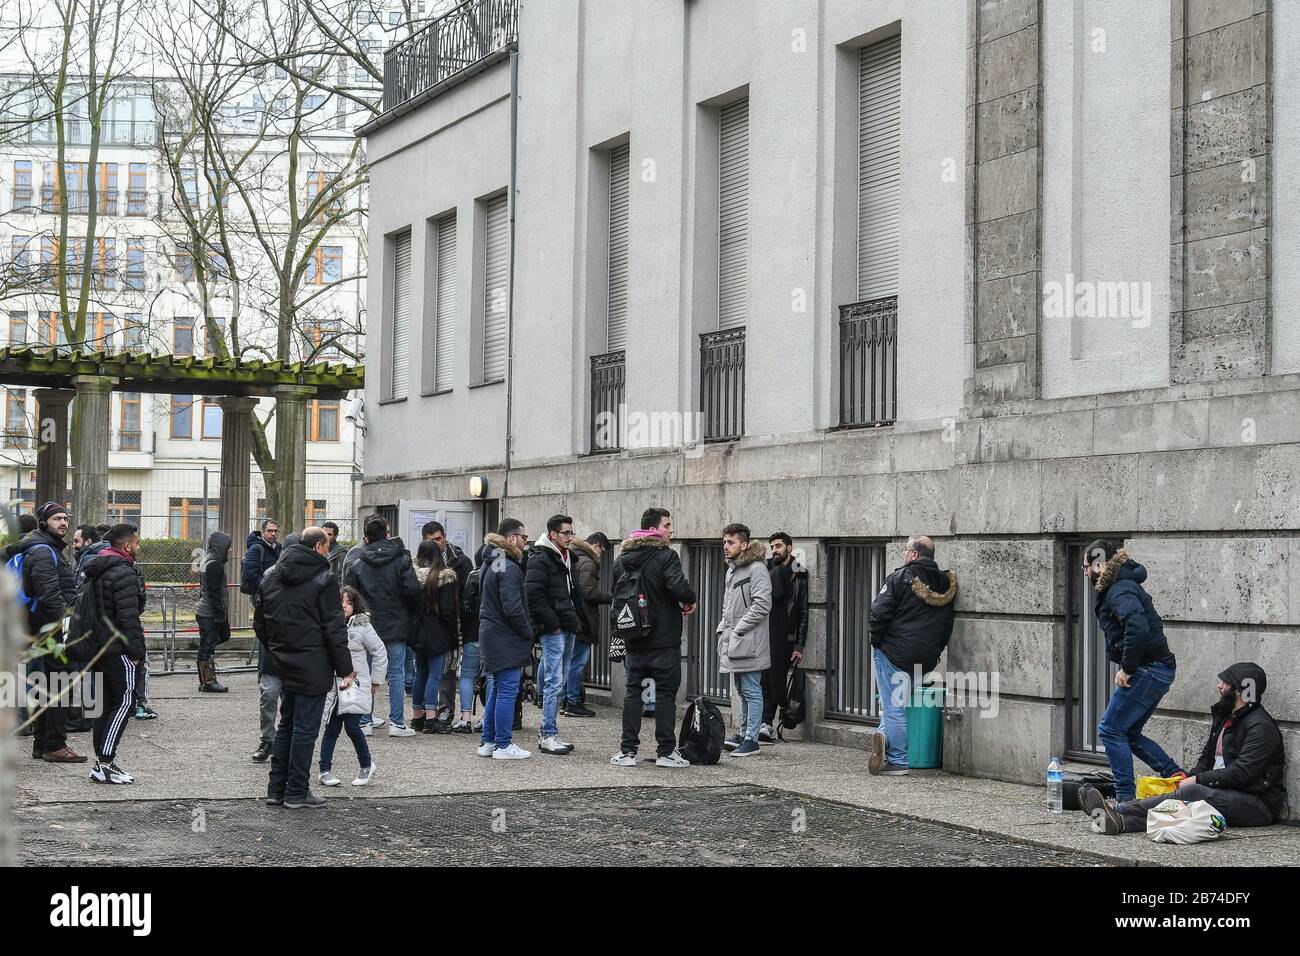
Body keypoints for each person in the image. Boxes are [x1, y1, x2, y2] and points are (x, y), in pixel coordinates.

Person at [1082, 663, 1286, 835]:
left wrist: (1197, 780)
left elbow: (1243, 773)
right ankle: (1121, 823)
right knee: (1184, 807)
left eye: (1225, 683)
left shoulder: (1261, 728)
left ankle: (1121, 807)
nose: (1219, 686)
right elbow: (1207, 757)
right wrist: (1190, 777)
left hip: (1258, 805)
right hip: (1223, 792)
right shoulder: (1226, 717)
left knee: (1194, 793)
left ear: (1242, 691)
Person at [257, 527, 355, 809]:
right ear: (317, 548)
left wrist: (276, 646)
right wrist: (345, 669)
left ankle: (276, 789)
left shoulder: (272, 575)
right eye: (326, 546)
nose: (328, 550)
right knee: (306, 729)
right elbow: (334, 629)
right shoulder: (323, 579)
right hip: (313, 662)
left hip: (282, 659)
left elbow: (261, 621)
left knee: (287, 724)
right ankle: (297, 791)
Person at [1085, 540, 1181, 803]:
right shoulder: (1120, 585)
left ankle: (1125, 800)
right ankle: (1178, 779)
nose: (1085, 572)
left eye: (1086, 566)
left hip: (1148, 669)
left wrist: (1127, 669)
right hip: (1157, 668)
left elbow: (1137, 627)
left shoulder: (1120, 589)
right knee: (1128, 733)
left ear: (1100, 564)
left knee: (1110, 729)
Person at [610, 507, 697, 769]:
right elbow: (677, 587)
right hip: (663, 638)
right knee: (665, 695)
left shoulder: (622, 559)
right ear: (653, 529)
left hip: (634, 636)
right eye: (667, 525)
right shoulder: (666, 556)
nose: (671, 530)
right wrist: (690, 599)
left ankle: (627, 752)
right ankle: (666, 752)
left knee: (633, 693)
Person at [867, 535, 958, 776]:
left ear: (914, 554)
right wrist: (935, 652)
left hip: (894, 653)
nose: (905, 555)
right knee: (902, 701)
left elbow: (877, 613)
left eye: (907, 550)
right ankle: (884, 736)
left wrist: (877, 642)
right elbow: (947, 626)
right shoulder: (946, 585)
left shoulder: (900, 578)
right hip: (925, 658)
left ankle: (897, 760)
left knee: (894, 706)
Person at [8, 501, 83, 763]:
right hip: (50, 629)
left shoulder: (45, 546)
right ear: (44, 523)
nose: (63, 523)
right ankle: (54, 745)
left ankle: (43, 744)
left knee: (47, 686)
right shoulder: (42, 550)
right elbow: (50, 595)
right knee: (60, 686)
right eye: (56, 519)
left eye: (65, 518)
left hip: (41, 628)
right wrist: (66, 627)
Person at [80, 523, 148, 784]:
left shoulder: (98, 568)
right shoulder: (124, 571)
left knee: (106, 704)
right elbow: (128, 616)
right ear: (127, 545)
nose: (138, 547)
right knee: (124, 702)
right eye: (137, 543)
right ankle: (105, 762)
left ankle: (102, 763)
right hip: (118, 648)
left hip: (98, 646)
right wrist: (136, 651)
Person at [344, 515, 420, 736]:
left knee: (364, 672)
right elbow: (413, 590)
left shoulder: (357, 563)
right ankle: (396, 722)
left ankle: (365, 720)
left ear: (366, 537)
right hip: (396, 621)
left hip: (366, 623)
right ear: (387, 534)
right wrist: (408, 611)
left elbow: (348, 595)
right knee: (396, 672)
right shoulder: (402, 560)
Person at [319, 586, 386, 787]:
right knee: (331, 727)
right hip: (334, 685)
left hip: (356, 685)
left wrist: (376, 680)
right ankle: (324, 770)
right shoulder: (330, 624)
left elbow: (379, 651)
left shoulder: (363, 626)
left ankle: (366, 764)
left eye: (349, 602)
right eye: (342, 602)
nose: (345, 606)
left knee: (352, 726)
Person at [477, 519, 533, 760]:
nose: (525, 542)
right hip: (504, 636)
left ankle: (489, 741)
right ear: (512, 538)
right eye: (523, 537)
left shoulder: (493, 561)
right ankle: (503, 744)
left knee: (497, 690)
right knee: (508, 690)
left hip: (491, 633)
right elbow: (512, 607)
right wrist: (528, 631)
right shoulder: (508, 566)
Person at [526, 514, 581, 756]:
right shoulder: (541, 558)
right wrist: (553, 625)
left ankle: (550, 731)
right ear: (553, 535)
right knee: (553, 680)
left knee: (561, 678)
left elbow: (571, 593)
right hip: (554, 628)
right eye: (566, 533)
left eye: (572, 532)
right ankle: (548, 733)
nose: (570, 537)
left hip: (566, 624)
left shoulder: (566, 557)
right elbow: (534, 595)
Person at [717, 524, 772, 757]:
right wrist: (723, 629)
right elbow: (728, 606)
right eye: (724, 543)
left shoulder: (757, 568)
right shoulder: (732, 570)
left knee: (751, 688)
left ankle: (752, 738)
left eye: (731, 542)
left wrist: (738, 629)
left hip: (750, 642)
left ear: (744, 544)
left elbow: (762, 604)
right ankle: (743, 733)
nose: (726, 547)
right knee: (741, 688)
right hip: (736, 640)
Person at [761, 532, 808, 742]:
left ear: (789, 548)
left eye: (778, 546)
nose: (774, 550)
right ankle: (765, 721)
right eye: (772, 547)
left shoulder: (799, 572)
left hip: (786, 634)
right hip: (765, 631)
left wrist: (799, 644)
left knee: (777, 677)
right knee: (764, 677)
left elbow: (803, 611)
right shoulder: (765, 567)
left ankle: (771, 719)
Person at [411, 540, 460, 733]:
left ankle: (417, 716)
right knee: (435, 675)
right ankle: (431, 718)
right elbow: (448, 611)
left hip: (417, 631)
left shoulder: (412, 576)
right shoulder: (444, 577)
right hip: (437, 632)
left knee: (420, 673)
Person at [245, 519, 282, 761]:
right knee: (269, 695)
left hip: (289, 649)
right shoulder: (257, 551)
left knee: (281, 697)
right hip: (274, 647)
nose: (273, 534)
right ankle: (268, 740)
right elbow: (259, 619)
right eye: (270, 530)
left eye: (276, 531)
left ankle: (283, 740)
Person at [565, 531, 611, 718]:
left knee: (569, 662)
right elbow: (587, 593)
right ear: (597, 546)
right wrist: (609, 597)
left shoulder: (574, 556)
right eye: (603, 550)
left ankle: (567, 699)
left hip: (573, 617)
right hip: (582, 619)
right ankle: (573, 702)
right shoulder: (588, 562)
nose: (602, 555)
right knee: (577, 663)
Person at [194, 530, 232, 693]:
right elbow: (214, 593)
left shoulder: (209, 561)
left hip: (207, 611)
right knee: (207, 646)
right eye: (228, 547)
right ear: (221, 546)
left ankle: (206, 679)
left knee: (210, 644)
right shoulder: (214, 564)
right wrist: (219, 615)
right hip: (210, 612)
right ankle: (208, 681)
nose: (230, 550)